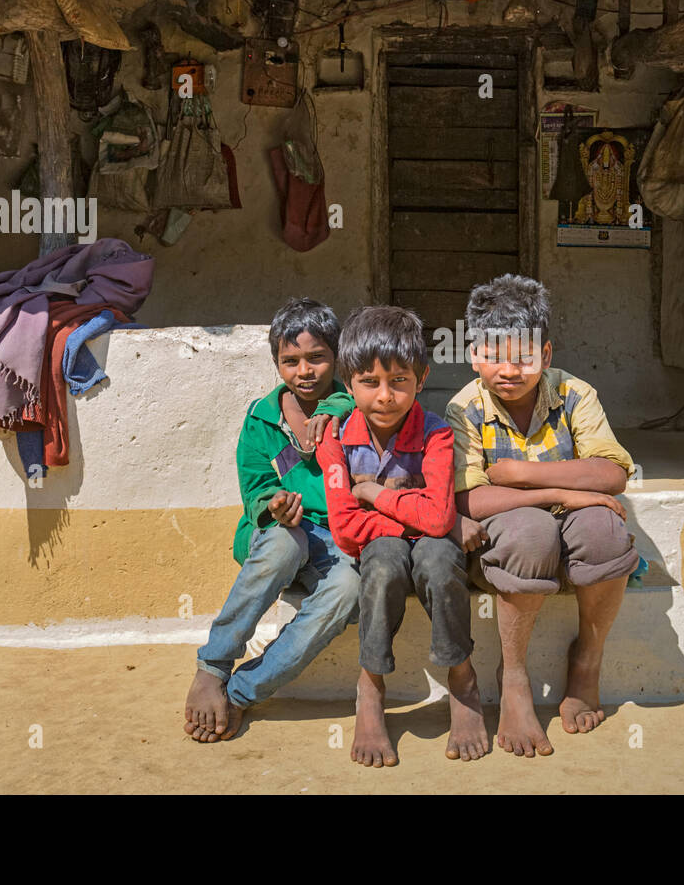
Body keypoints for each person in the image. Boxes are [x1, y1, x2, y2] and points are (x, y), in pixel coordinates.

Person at [444, 274, 639, 758]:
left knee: (606, 530)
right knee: (532, 532)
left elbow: (613, 473)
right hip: (517, 530)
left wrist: (519, 474)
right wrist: (561, 493)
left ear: (546, 356)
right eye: (492, 356)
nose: (507, 370)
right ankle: (513, 677)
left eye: (523, 357)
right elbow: (470, 501)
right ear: (473, 356)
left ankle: (587, 661)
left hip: (553, 511)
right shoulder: (464, 408)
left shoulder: (575, 393)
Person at [317, 305, 490, 766]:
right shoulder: (334, 438)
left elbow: (437, 525)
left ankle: (461, 676)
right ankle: (371, 685)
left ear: (421, 377)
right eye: (370, 382)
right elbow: (347, 530)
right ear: (348, 382)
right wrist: (420, 514)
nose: (386, 396)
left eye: (400, 381)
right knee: (384, 564)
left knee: (437, 560)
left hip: (429, 543)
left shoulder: (435, 434)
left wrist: (372, 491)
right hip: (381, 543)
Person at [183, 298, 360, 742]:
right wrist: (275, 505)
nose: (305, 371)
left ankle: (242, 693)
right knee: (285, 542)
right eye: (291, 361)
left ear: (336, 358)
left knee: (349, 588)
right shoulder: (261, 419)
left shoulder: (352, 412)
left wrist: (337, 410)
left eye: (317, 357)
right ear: (277, 363)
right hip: (277, 535)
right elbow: (255, 488)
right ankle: (213, 666)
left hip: (336, 541)